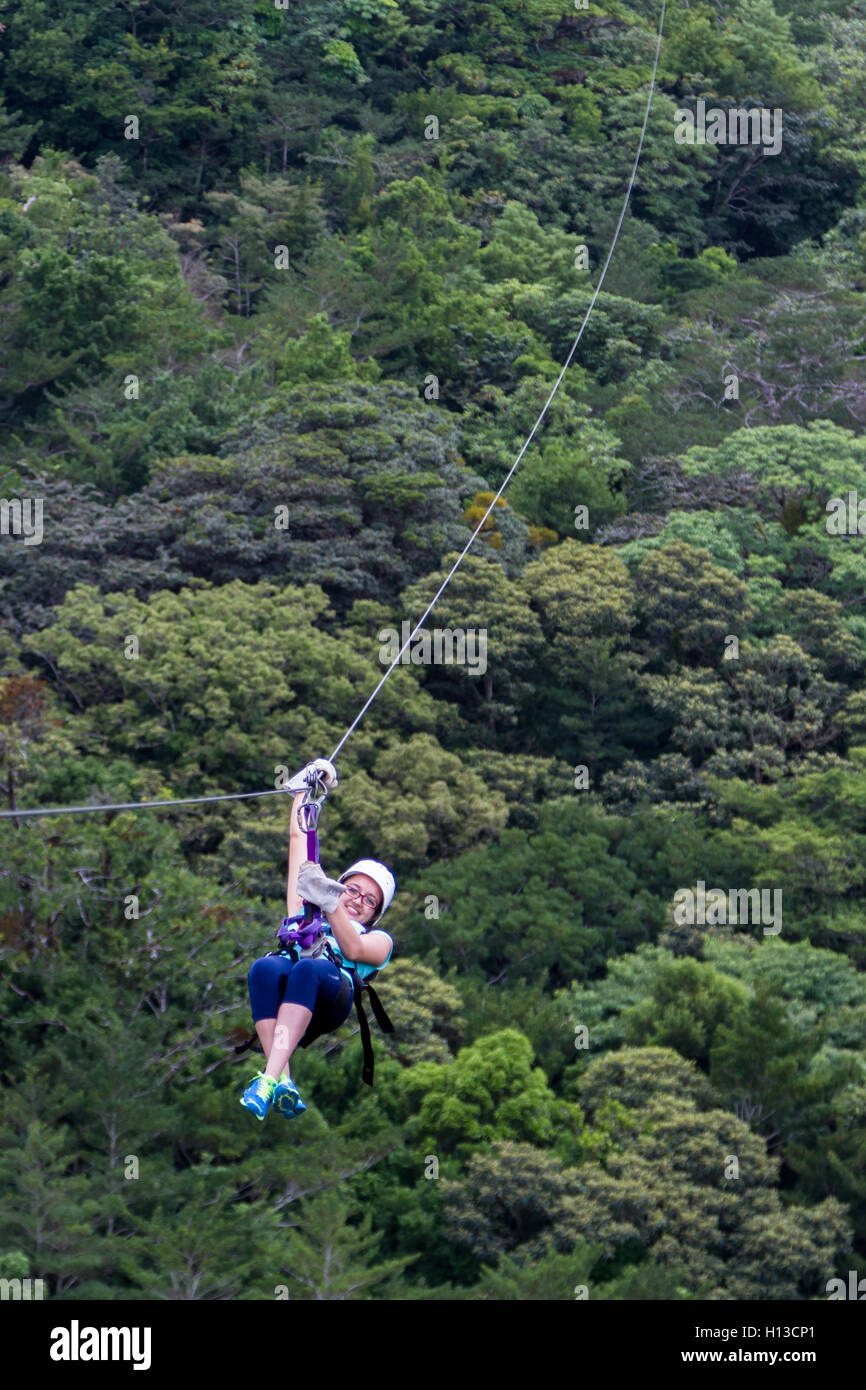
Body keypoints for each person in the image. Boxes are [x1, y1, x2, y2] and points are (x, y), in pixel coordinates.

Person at [240, 758, 396, 1121]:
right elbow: (299, 840)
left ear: (375, 914)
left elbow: (355, 950)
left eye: (368, 900)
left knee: (309, 970)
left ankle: (266, 1077)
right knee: (264, 967)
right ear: (341, 887)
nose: (357, 900)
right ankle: (281, 1082)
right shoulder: (309, 908)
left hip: (332, 989)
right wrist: (301, 792)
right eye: (352, 890)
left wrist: (331, 903)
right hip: (296, 975)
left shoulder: (379, 940)